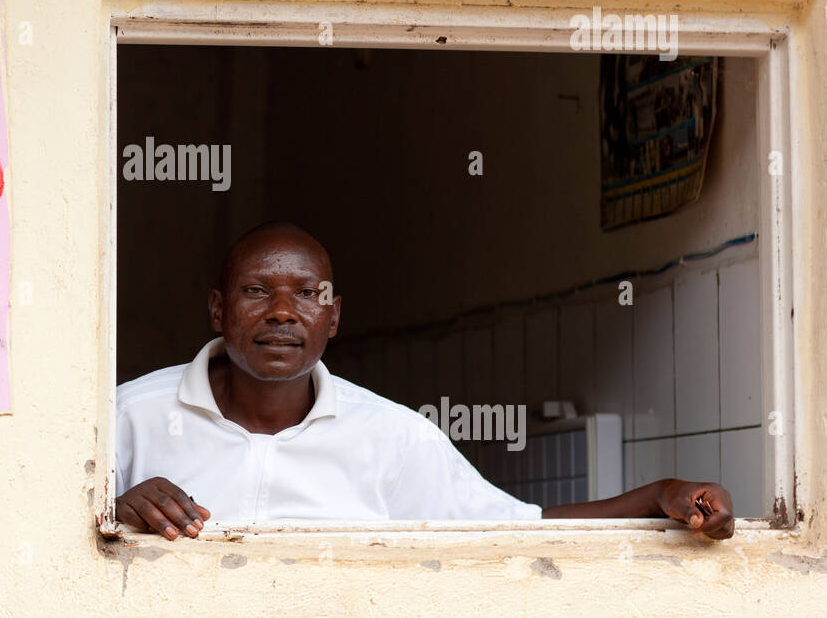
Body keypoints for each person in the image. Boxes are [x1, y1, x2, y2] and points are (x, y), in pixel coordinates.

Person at [115, 222, 735, 540]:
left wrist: (661, 494)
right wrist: (111, 514)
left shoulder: (392, 436)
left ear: (333, 317)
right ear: (218, 309)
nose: (282, 311)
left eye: (307, 294)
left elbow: (517, 530)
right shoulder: (129, 415)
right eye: (257, 292)